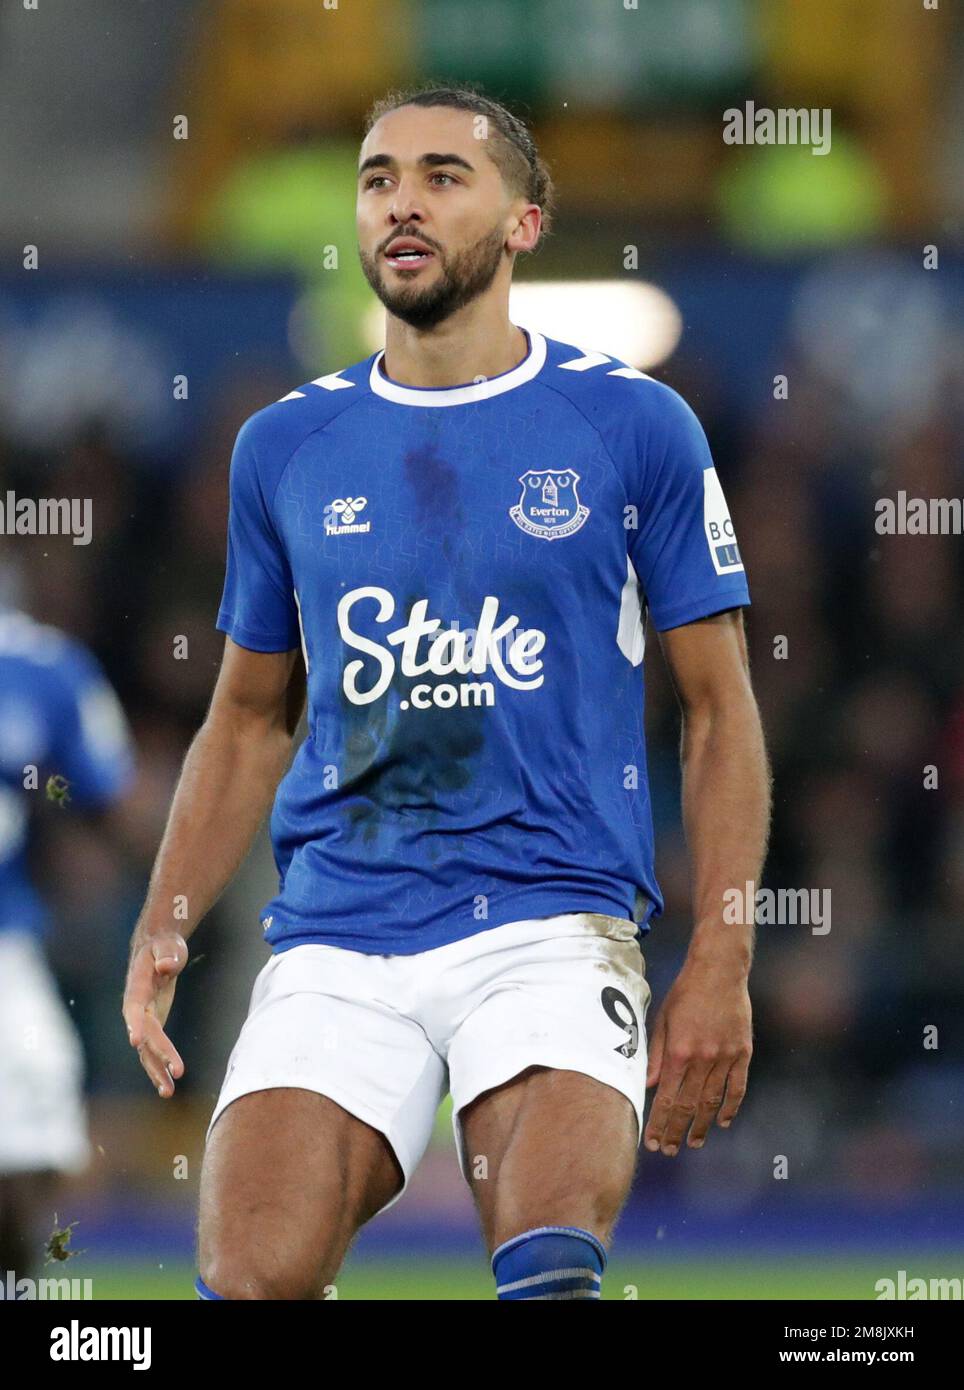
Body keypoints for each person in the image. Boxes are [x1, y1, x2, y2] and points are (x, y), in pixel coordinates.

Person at [123, 84, 771, 1302]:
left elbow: (721, 710)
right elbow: (249, 716)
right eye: (377, 180)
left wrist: (721, 955)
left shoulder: (633, 425)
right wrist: (165, 917)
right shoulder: (284, 448)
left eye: (440, 176)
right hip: (338, 934)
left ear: (523, 222)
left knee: (544, 1269)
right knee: (248, 1280)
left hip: (550, 920)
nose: (401, 203)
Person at [0, 606, 134, 1277]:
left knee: (33, 1129)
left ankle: (17, 1287)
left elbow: (101, 795)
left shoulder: (38, 667)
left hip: (4, 942)